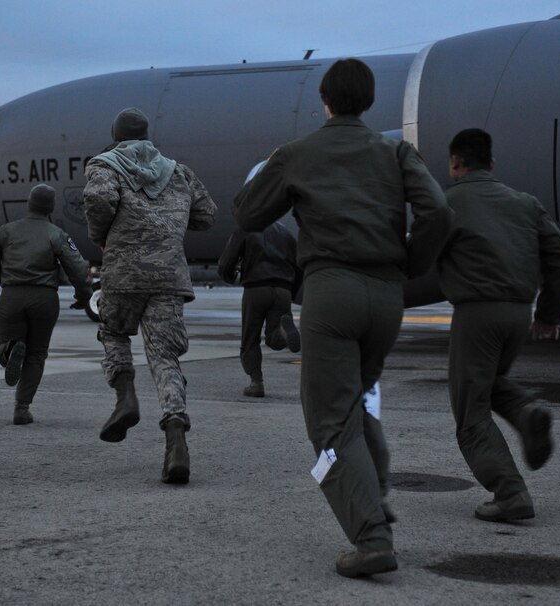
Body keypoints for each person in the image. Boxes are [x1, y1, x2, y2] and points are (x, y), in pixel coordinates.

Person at [233, 59, 453, 578]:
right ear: (369, 102)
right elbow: (439, 212)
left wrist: (271, 166)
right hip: (386, 295)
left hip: (331, 293)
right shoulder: (394, 150)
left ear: (325, 101)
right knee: (357, 402)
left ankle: (371, 538)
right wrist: (412, 263)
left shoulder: (297, 154)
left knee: (330, 424)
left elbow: (246, 215)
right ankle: (374, 497)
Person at [436, 128, 560, 522]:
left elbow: (418, 253)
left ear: (455, 163)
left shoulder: (448, 202)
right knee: (490, 382)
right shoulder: (525, 203)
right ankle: (528, 414)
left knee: (470, 410)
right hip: (518, 313)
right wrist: (549, 315)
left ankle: (510, 492)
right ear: (492, 164)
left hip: (477, 313)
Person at [83, 107, 217, 484]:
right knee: (165, 357)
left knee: (113, 332)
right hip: (169, 277)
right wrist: (170, 220)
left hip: (123, 273)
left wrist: (102, 236)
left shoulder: (104, 165)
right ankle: (176, 441)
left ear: (116, 133)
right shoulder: (178, 171)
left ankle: (125, 398)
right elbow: (207, 216)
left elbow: (98, 201)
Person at [0, 184, 93, 425]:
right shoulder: (57, 234)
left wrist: (0, 280)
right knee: (37, 354)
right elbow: (78, 268)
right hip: (44, 298)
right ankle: (22, 408)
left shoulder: (6, 231)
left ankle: (9, 352)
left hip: (12, 295)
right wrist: (83, 296)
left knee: (7, 343)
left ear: (28, 203)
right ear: (51, 207)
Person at [217, 221, 301, 398]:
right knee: (273, 338)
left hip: (256, 288)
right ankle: (284, 333)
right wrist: (291, 293)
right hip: (282, 289)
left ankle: (256, 383)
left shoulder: (246, 228)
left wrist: (230, 276)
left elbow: (226, 263)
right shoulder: (287, 233)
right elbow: (298, 267)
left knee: (250, 338)